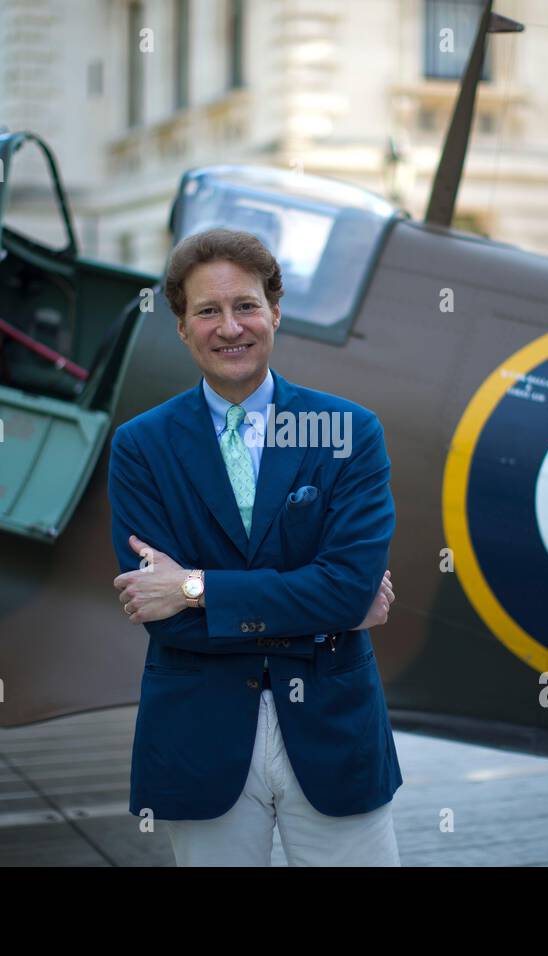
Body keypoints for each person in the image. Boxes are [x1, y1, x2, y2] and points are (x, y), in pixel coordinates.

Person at [107, 227, 403, 866]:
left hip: (333, 731)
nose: (230, 326)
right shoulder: (141, 446)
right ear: (183, 328)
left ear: (275, 311)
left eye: (245, 305)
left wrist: (194, 588)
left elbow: (349, 585)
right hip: (200, 737)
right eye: (207, 311)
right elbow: (162, 621)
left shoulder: (349, 431)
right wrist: (326, 609)